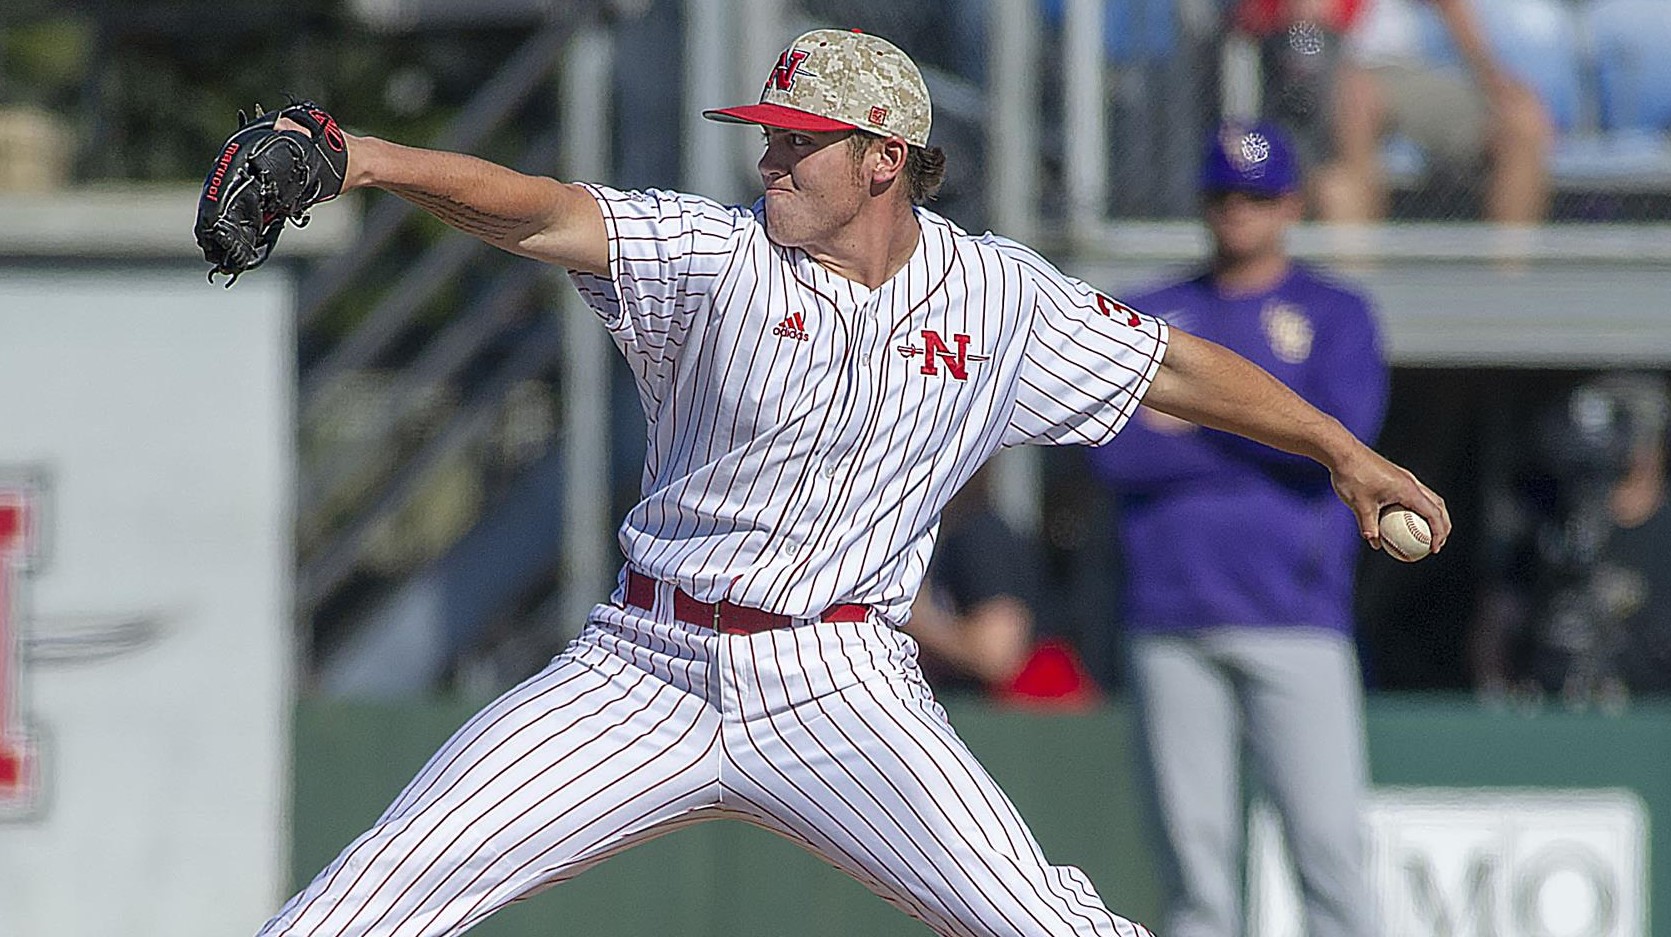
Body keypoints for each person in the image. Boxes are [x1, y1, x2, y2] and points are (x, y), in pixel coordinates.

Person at [244, 29, 1447, 937]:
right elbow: (544, 213)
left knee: (1051, 923)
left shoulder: (998, 296)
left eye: (797, 138)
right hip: (642, 667)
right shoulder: (716, 256)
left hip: (839, 683)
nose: (768, 152)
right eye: (767, 131)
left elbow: (1173, 365)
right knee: (361, 901)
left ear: (883, 159)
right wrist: (359, 158)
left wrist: (1342, 450)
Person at [1088, 121, 1389, 937]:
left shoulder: (1333, 311)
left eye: (1256, 196)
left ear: (1290, 204)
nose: (1238, 212)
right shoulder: (1155, 310)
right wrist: (1272, 427)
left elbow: (1337, 442)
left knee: (1328, 855)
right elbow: (1113, 455)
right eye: (1223, 195)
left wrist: (1196, 418)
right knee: (1195, 870)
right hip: (1171, 613)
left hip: (1294, 612)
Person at [1236, 0, 1552, 223]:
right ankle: (1361, 283)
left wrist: (1491, 76)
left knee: (1521, 120)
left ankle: (1508, 287)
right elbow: (1290, 29)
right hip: (1330, 69)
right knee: (1357, 104)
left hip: (1406, 71)